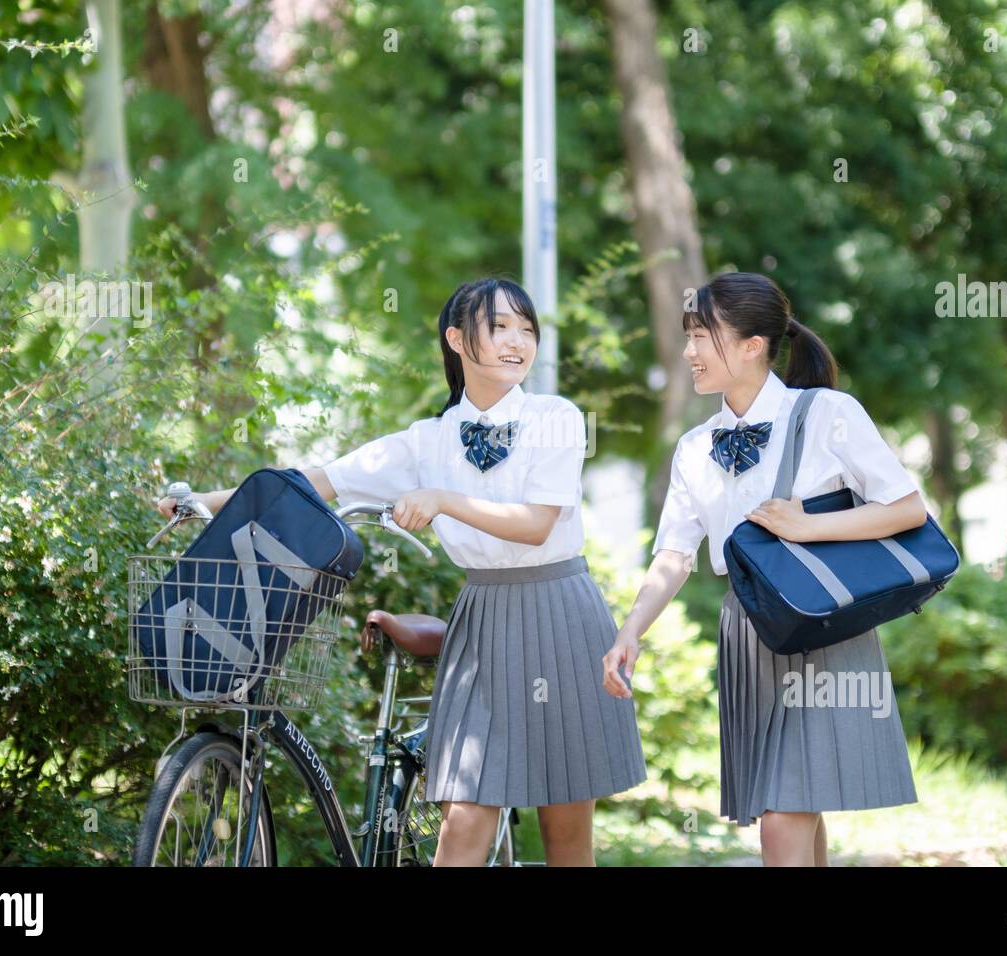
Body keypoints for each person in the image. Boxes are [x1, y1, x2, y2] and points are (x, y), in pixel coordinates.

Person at [160, 277, 646, 866]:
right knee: (464, 814)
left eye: (527, 329)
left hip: (560, 612)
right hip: (485, 621)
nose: (518, 341)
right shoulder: (427, 441)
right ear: (457, 340)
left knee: (566, 836)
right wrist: (203, 503)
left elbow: (537, 523)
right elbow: (315, 482)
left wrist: (442, 499)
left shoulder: (555, 417)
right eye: (499, 327)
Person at [602, 271, 926, 866]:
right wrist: (630, 632)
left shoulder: (827, 411)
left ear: (753, 345)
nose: (690, 351)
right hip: (749, 631)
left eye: (703, 336)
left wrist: (810, 526)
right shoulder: (696, 447)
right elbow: (674, 556)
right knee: (798, 803)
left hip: (825, 624)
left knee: (782, 813)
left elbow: (907, 508)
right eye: (689, 336)